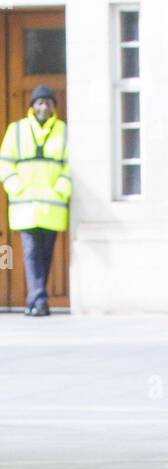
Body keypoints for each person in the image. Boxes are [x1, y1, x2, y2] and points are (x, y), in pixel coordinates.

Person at [0, 86, 71, 317]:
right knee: (31, 253)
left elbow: (71, 164)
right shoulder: (16, 130)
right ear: (32, 106)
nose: (43, 107)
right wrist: (15, 187)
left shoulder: (63, 131)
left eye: (47, 103)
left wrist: (61, 188)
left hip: (52, 206)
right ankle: (39, 299)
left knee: (45, 254)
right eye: (39, 102)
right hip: (25, 206)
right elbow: (5, 162)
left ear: (53, 107)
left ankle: (35, 299)